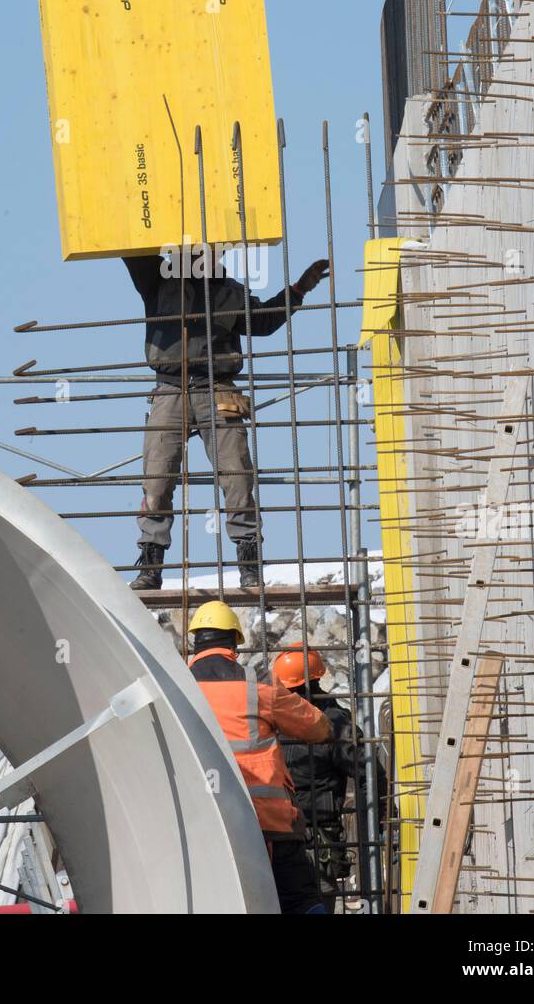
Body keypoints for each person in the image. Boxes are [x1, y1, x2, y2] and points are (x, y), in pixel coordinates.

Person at [124, 250, 328, 590]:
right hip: (171, 389)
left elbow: (261, 321)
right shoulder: (158, 280)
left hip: (218, 389)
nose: (210, 257)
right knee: (157, 479)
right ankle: (150, 566)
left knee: (237, 477)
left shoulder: (228, 290)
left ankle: (249, 565)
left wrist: (297, 291)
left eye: (213, 252)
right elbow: (134, 250)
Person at [187, 600, 333, 915]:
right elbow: (317, 727)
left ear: (194, 642)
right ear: (234, 644)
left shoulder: (177, 687)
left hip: (206, 824)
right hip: (269, 823)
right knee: (301, 901)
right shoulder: (256, 685)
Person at [273, 644, 387, 913]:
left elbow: (369, 775)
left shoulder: (281, 721)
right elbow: (370, 774)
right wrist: (375, 823)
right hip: (310, 841)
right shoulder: (333, 721)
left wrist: (374, 822)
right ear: (317, 676)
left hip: (292, 840)